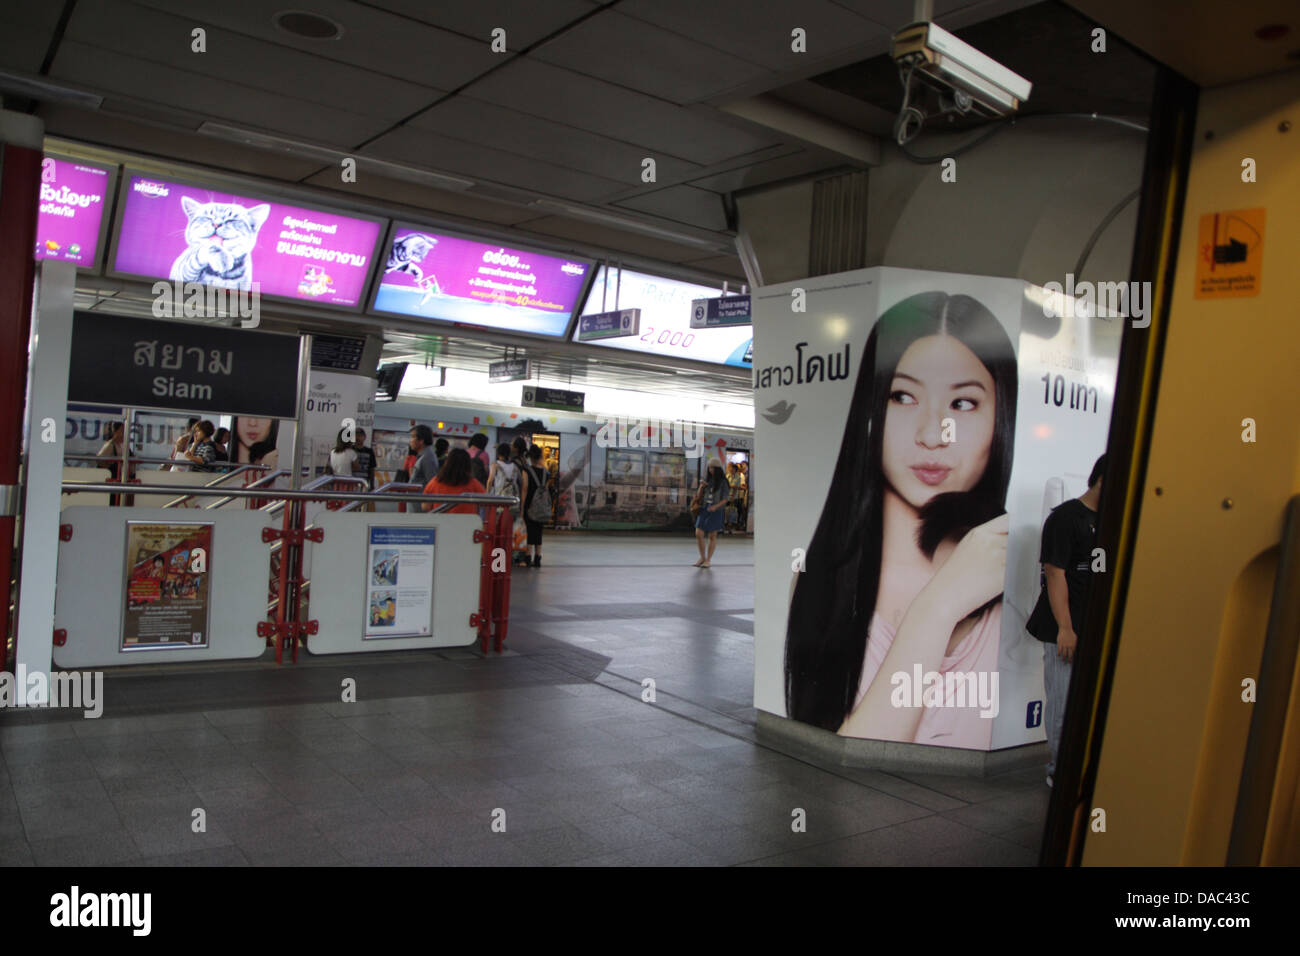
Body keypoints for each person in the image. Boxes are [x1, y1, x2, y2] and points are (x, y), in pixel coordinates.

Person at [785, 291, 1018, 749]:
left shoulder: (1018, 572)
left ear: (1000, 418)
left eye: (964, 404)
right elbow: (845, 766)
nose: (933, 434)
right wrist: (938, 606)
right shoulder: (821, 578)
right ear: (870, 411)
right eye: (903, 396)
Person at [1027, 454, 1104, 787]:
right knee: (1062, 702)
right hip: (1066, 627)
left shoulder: (1113, 522)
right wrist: (1065, 629)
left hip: (1096, 626)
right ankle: (1060, 772)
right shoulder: (1066, 519)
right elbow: (1054, 574)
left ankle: (1085, 766)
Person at [422, 447, 485, 515]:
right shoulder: (473, 484)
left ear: (447, 463)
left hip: (441, 523)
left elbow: (425, 507)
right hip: (466, 523)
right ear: (468, 465)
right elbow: (484, 502)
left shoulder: (435, 481)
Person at [692, 461, 731, 568]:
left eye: (713, 468)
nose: (710, 470)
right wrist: (701, 486)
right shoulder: (707, 480)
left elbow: (725, 499)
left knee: (712, 536)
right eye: (709, 468)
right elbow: (698, 496)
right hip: (704, 508)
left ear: (718, 469)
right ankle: (702, 557)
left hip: (716, 510)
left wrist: (715, 506)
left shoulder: (723, 482)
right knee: (698, 533)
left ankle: (708, 560)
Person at [521, 444, 549, 567]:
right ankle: (538, 557)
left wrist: (522, 506)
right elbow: (546, 490)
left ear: (530, 457)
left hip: (530, 504)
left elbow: (525, 488)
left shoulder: (526, 470)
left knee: (529, 530)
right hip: (541, 505)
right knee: (538, 530)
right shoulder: (546, 472)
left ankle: (528, 556)